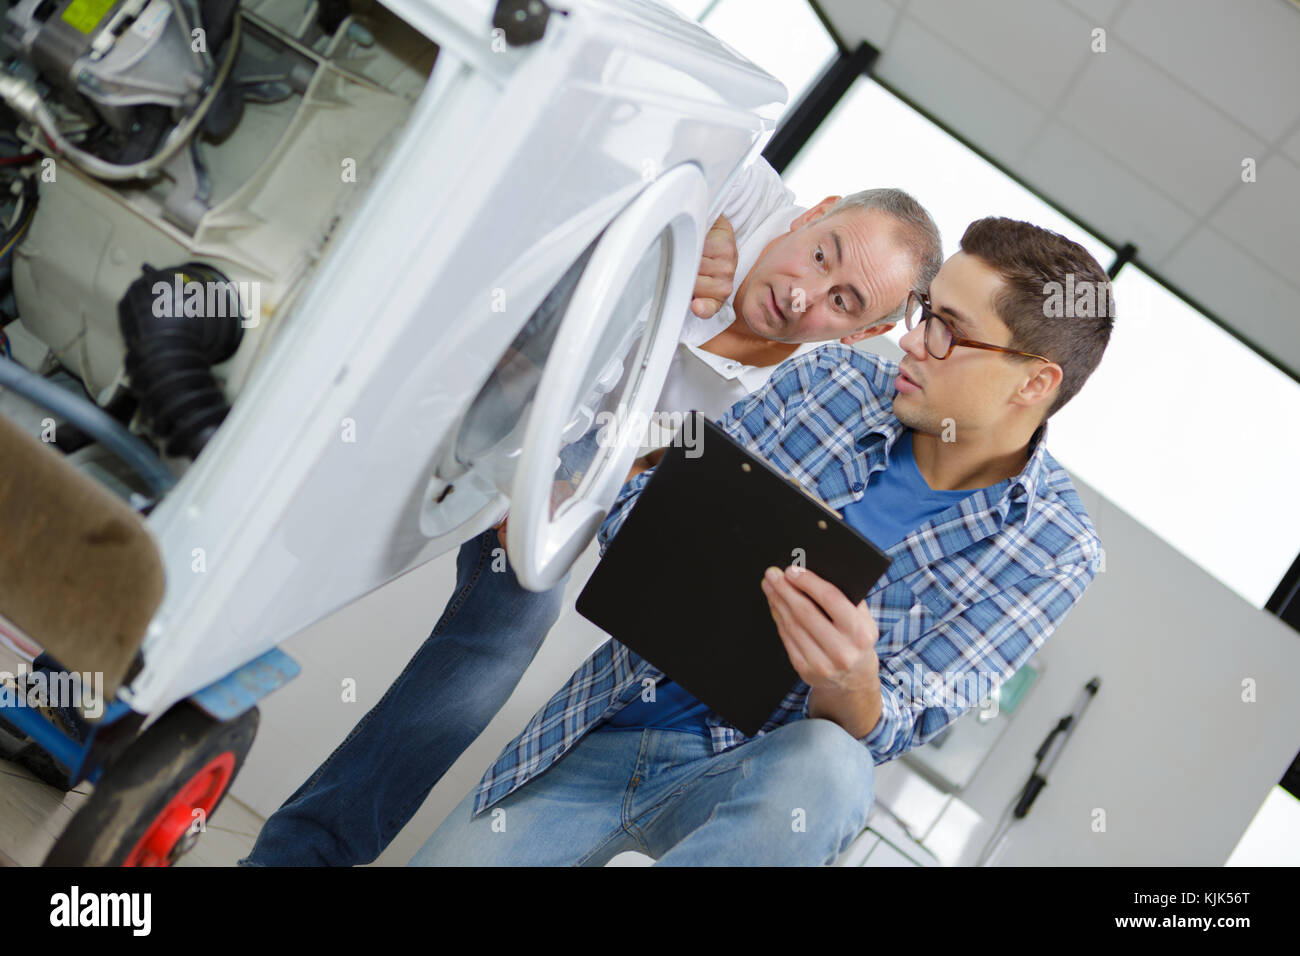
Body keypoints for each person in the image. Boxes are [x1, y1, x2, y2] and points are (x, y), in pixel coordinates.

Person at [240, 158, 944, 865]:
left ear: (856, 336)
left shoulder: (797, 395)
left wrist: (568, 483)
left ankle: (303, 857)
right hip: (485, 356)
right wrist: (695, 218)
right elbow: (618, 135)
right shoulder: (738, 182)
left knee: (512, 623)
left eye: (843, 303)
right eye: (822, 254)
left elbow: (658, 487)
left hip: (571, 472)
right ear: (813, 212)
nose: (803, 294)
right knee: (287, 546)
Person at [408, 216, 1112, 866]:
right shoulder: (828, 380)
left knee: (834, 767)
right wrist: (669, 518)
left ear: (1034, 382)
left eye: (947, 331)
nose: (909, 338)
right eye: (926, 312)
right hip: (606, 722)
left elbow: (896, 723)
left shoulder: (1054, 549)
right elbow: (630, 520)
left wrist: (850, 680)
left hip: (759, 785)